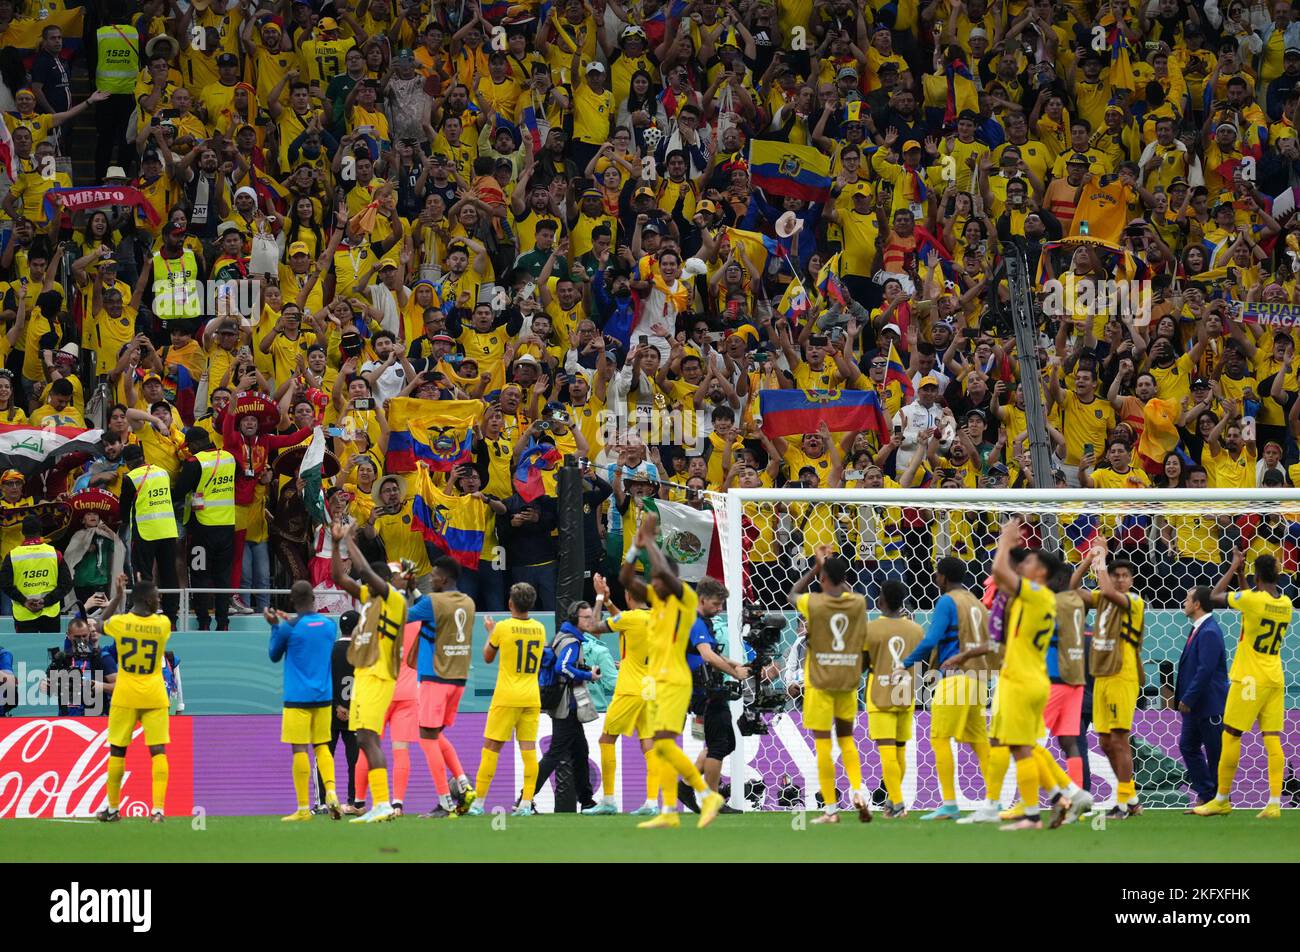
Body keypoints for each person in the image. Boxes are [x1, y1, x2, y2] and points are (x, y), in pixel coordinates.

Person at [944, 518, 1061, 831]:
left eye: (1031, 560)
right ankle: (1034, 802)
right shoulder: (1036, 598)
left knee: (1020, 746)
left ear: (1041, 573)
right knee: (1005, 741)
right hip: (1024, 677)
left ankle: (1036, 812)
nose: (1025, 564)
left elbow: (998, 572)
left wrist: (1005, 542)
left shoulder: (1037, 594)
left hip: (1022, 681)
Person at [619, 512, 726, 829]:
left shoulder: (685, 598)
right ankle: (670, 812)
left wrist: (650, 542)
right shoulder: (657, 600)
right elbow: (625, 579)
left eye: (656, 580)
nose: (651, 585)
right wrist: (635, 549)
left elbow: (664, 571)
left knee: (663, 744)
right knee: (662, 747)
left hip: (677, 681)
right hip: (659, 681)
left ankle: (707, 796)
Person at [1196, 550, 1292, 819]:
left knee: (1232, 734)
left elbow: (1213, 597)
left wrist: (1233, 567)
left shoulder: (1252, 600)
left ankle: (1222, 799)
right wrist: (1242, 577)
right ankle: (1274, 803)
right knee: (1272, 739)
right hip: (1274, 677)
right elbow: (1250, 601)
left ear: (1257, 575)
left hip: (1249, 678)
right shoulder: (1285, 602)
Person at [903, 556, 999, 823]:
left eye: (937, 574)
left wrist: (905, 664)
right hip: (980, 679)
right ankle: (994, 801)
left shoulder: (947, 601)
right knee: (978, 740)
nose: (935, 578)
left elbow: (931, 639)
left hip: (955, 676)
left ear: (943, 577)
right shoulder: (976, 603)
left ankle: (949, 803)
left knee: (940, 738)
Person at [329, 520, 411, 824]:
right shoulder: (369, 601)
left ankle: (382, 803)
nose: (368, 583)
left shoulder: (393, 599)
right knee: (363, 738)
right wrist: (337, 544)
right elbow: (340, 576)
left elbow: (363, 571)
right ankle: (380, 805)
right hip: (363, 673)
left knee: (369, 737)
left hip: (379, 674)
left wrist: (350, 538)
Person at [787, 544, 871, 824]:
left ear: (822, 579)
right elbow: (849, 590)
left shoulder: (814, 603)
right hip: (847, 681)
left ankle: (831, 810)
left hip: (819, 684)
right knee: (847, 740)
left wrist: (816, 566)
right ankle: (858, 791)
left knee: (823, 746)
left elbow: (792, 594)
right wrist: (830, 568)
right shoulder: (857, 602)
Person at [1072, 537, 1145, 819]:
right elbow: (1071, 589)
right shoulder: (1103, 598)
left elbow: (1104, 589)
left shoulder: (1134, 601)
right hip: (1101, 675)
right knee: (1104, 742)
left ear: (1132, 580)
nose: (1120, 580)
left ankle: (1123, 803)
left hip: (1122, 674)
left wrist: (1100, 555)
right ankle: (1132, 799)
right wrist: (1089, 560)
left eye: (1125, 576)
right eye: (1116, 576)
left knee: (1119, 739)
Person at [580, 571, 660, 816]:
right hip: (651, 689)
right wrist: (610, 602)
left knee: (606, 740)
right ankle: (652, 802)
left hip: (629, 690)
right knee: (649, 744)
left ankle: (609, 800)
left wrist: (599, 597)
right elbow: (625, 621)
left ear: (628, 595)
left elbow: (593, 626)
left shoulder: (630, 618)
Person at [466, 582, 546, 817]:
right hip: (532, 696)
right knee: (529, 751)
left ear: (510, 603)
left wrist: (491, 633)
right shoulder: (540, 628)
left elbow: (488, 657)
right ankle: (525, 804)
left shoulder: (503, 627)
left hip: (507, 696)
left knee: (491, 747)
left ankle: (479, 803)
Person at [405, 556, 476, 818]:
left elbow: (405, 614)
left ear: (443, 579)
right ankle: (464, 786)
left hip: (435, 677)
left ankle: (445, 802)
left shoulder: (433, 602)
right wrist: (413, 587)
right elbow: (426, 606)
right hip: (457, 679)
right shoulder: (468, 602)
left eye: (433, 575)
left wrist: (399, 588)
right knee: (435, 735)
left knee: (426, 738)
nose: (430, 579)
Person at [97, 576, 171, 824]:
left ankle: (112, 808)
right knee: (158, 751)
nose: (159, 599)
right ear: (148, 599)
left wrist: (117, 596)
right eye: (157, 596)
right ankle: (158, 810)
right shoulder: (163, 624)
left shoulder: (120, 623)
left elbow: (98, 624)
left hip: (125, 695)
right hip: (154, 694)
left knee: (118, 750)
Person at [267, 580, 342, 821]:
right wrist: (287, 623)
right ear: (314, 599)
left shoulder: (289, 627)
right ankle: (331, 792)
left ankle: (302, 809)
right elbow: (311, 632)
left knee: (299, 749)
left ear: (291, 599)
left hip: (297, 697)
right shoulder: (330, 626)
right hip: (324, 696)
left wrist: (275, 627)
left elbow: (274, 655)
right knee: (322, 746)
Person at [530, 600, 600, 814]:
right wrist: (588, 675)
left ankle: (587, 801)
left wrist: (583, 670)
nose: (590, 621)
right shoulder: (572, 641)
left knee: (580, 752)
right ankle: (524, 798)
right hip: (566, 706)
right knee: (555, 754)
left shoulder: (565, 636)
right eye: (586, 617)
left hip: (565, 705)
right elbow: (563, 667)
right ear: (575, 619)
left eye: (590, 616)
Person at [863, 580, 924, 819]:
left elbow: (863, 663)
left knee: (887, 752)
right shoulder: (916, 630)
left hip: (880, 696)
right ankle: (892, 800)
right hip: (906, 694)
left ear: (881, 601)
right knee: (900, 751)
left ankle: (898, 803)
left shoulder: (870, 629)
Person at [175, 427, 236, 631]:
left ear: (196, 443)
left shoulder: (194, 463)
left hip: (202, 528)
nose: (189, 450)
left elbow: (180, 491)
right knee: (223, 577)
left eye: (190, 446)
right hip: (227, 527)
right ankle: (224, 623)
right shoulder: (229, 458)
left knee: (200, 575)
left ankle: (203, 622)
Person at [1175, 585, 1230, 811]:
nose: (1185, 602)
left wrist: (1187, 698)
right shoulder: (1200, 629)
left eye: (1188, 599)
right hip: (1196, 706)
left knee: (1215, 753)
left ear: (1197, 604)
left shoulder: (1208, 631)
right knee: (1187, 746)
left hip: (1208, 705)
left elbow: (1205, 671)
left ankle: (1219, 799)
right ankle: (1207, 793)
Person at [119, 444, 180, 624]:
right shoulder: (162, 472)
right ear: (143, 457)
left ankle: (145, 615)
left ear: (128, 462)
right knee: (170, 574)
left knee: (143, 575)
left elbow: (124, 507)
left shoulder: (131, 478)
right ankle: (172, 618)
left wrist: (123, 521)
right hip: (168, 530)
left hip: (145, 532)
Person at [317, 610, 362, 815]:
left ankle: (323, 803)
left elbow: (323, 681)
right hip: (355, 715)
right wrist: (350, 707)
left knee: (325, 756)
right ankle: (354, 802)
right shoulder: (362, 652)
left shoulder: (329, 650)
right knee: (355, 760)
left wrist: (337, 705)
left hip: (330, 712)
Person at [0, 515, 72, 632]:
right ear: (41, 530)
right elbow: (67, 584)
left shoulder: (12, 555)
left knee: (24, 649)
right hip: (50, 612)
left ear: (22, 532)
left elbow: (4, 584)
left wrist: (24, 601)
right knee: (52, 649)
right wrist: (46, 601)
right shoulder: (55, 553)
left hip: (24, 613)